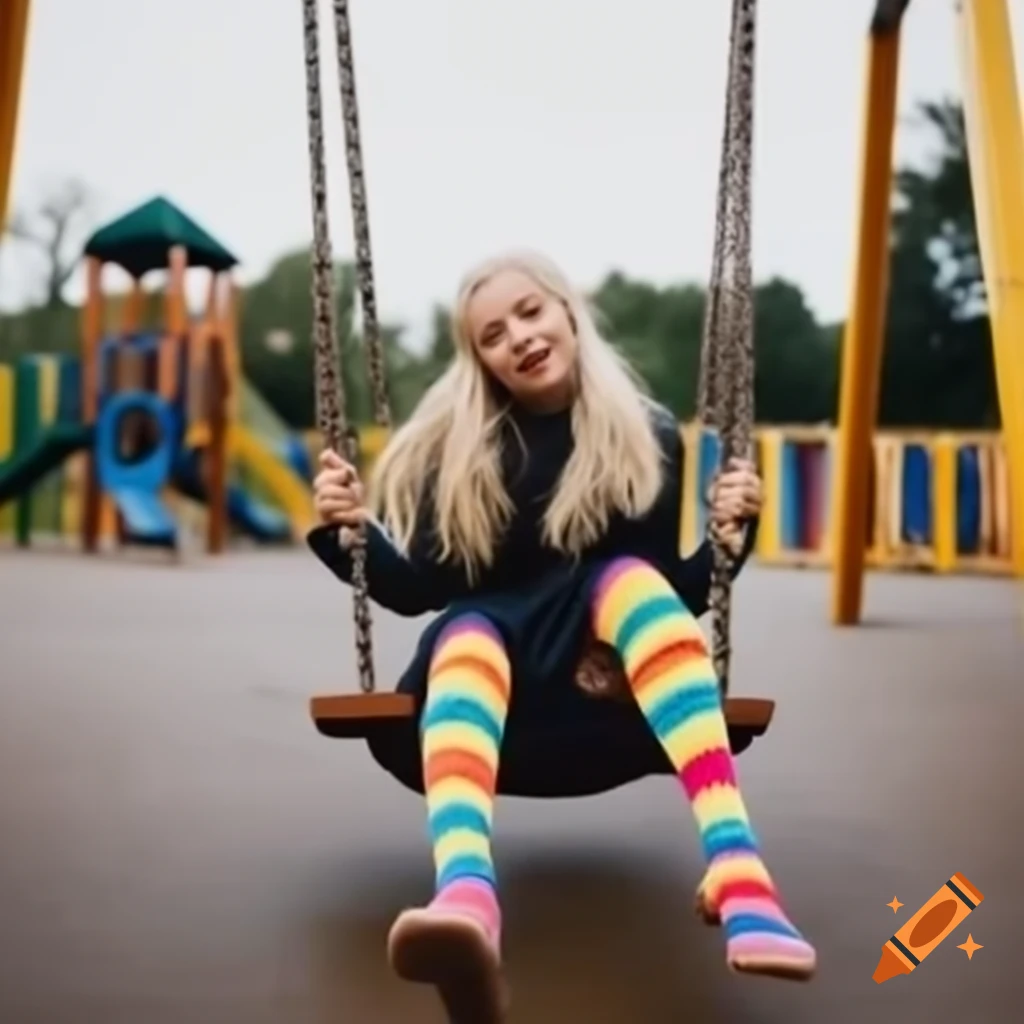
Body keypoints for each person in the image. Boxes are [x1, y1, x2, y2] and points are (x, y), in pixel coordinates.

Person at [307, 251, 816, 1018]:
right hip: (484, 675)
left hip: (598, 673)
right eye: (491, 334)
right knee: (468, 630)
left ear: (569, 312)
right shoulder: (466, 451)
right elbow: (419, 590)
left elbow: (673, 599)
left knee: (631, 581)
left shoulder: (643, 436)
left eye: (531, 311)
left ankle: (741, 872)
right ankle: (466, 897)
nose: (518, 336)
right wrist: (351, 534)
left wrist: (729, 541)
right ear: (480, 362)